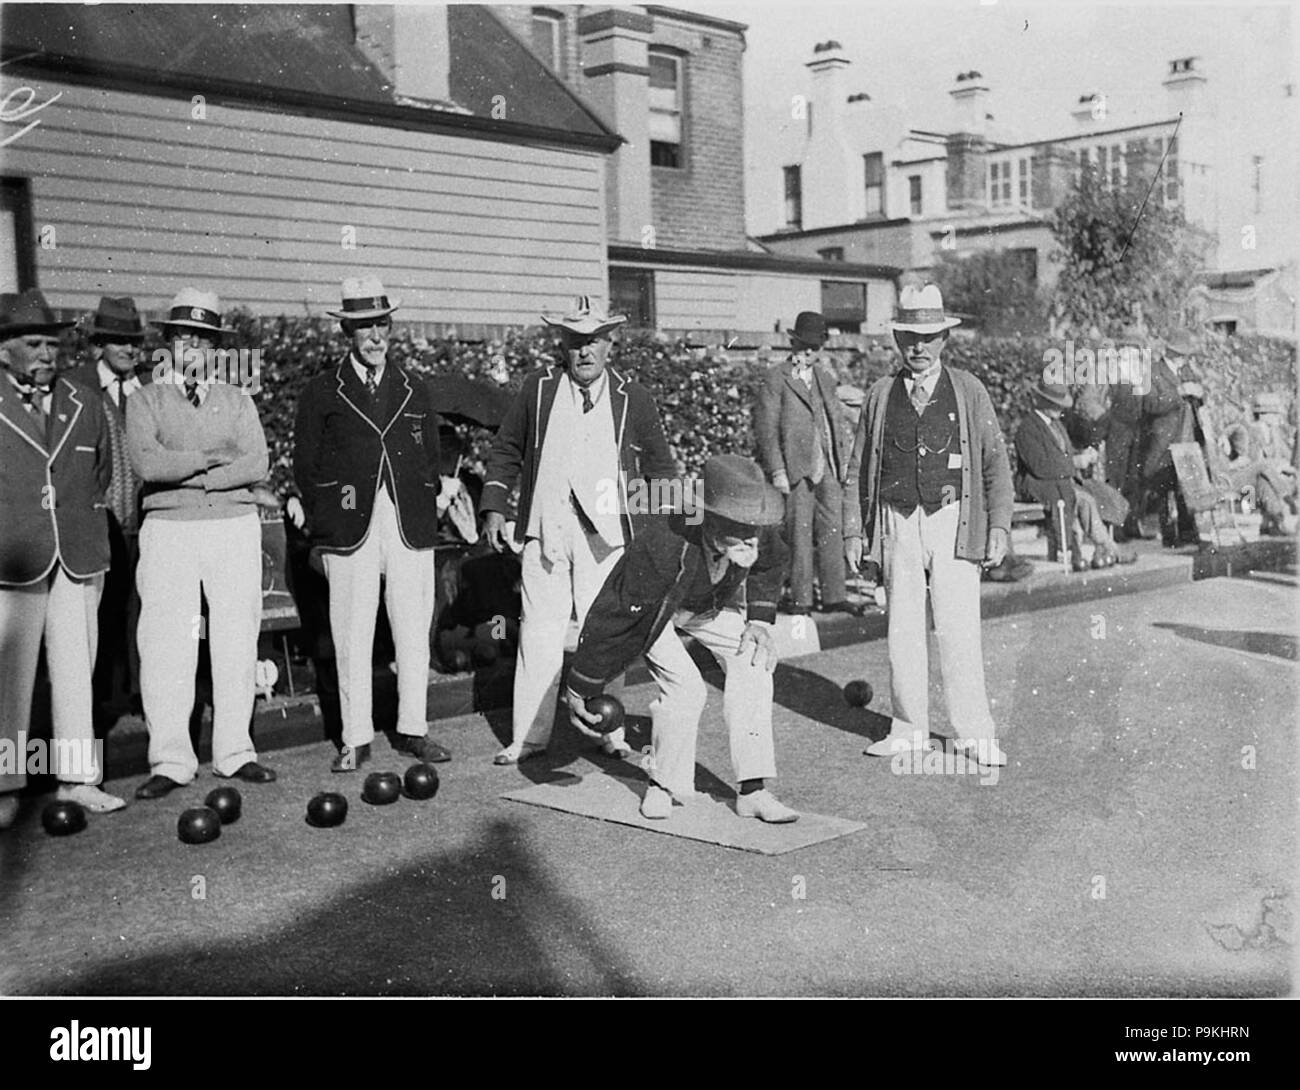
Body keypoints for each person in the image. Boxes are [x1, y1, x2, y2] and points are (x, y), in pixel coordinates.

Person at [480, 296, 676, 766]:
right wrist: (494, 505)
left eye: (594, 342)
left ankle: (609, 730)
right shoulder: (539, 389)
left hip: (607, 533)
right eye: (575, 343)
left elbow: (659, 467)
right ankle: (529, 736)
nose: (585, 352)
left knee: (607, 632)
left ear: (611, 345)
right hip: (547, 526)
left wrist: (659, 530)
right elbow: (506, 448)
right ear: (562, 347)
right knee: (539, 633)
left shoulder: (634, 397)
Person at [564, 455, 798, 822]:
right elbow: (614, 612)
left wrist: (760, 622)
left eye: (754, 526)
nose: (753, 535)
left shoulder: (756, 528)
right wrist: (581, 683)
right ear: (711, 521)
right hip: (657, 610)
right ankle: (662, 785)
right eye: (739, 527)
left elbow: (771, 563)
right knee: (687, 688)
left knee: (754, 661)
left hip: (706, 605)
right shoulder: (662, 544)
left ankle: (753, 791)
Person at [843, 284, 1012, 768]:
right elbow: (856, 469)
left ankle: (975, 733)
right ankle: (907, 729)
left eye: (928, 337)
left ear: (944, 339)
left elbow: (994, 462)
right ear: (898, 340)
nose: (917, 347)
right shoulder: (879, 394)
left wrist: (998, 524)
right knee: (902, 629)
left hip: (952, 519)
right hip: (897, 520)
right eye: (908, 337)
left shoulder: (968, 390)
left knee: (959, 630)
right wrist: (855, 530)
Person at [292, 276, 449, 771]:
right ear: (348, 333)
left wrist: (423, 499)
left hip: (408, 523)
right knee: (352, 632)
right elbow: (306, 464)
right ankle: (355, 737)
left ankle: (414, 729)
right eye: (364, 327)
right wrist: (329, 519)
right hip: (349, 525)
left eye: (382, 324)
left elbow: (430, 457)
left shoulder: (413, 387)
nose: (376, 336)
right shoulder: (322, 391)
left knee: (411, 630)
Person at [128, 288, 277, 798]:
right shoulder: (144, 398)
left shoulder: (238, 399)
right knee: (168, 642)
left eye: (205, 338)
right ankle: (170, 760)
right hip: (169, 529)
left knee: (237, 636)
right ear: (168, 343)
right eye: (184, 336)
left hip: (233, 525)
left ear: (217, 347)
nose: (194, 346)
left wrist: (192, 473)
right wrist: (212, 460)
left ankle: (235, 753)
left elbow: (256, 464)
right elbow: (148, 464)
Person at [0, 289, 127, 827]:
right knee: (9, 676)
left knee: (77, 669)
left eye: (52, 344)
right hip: (12, 559)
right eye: (33, 344)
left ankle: (78, 780)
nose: (47, 355)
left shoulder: (85, 401)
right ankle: (5, 788)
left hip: (77, 551)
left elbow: (99, 475)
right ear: (4, 351)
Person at [66, 296, 148, 730]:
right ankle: (102, 703)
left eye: (134, 341)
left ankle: (139, 696)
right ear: (99, 344)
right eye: (118, 341)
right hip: (99, 520)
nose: (129, 350)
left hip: (147, 521)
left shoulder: (150, 388)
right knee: (101, 612)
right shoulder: (77, 387)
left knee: (142, 610)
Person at [754, 311, 859, 616]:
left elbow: (834, 422)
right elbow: (767, 429)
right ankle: (801, 599)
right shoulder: (777, 378)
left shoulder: (825, 379)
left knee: (832, 530)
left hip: (827, 466)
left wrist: (842, 464)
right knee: (799, 532)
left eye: (814, 348)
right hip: (796, 468)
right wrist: (777, 470)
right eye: (802, 346)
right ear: (793, 343)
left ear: (821, 348)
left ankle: (834, 595)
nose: (807, 353)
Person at [1014, 379, 1136, 570]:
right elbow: (1040, 467)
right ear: (1043, 403)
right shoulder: (1028, 428)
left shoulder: (1056, 425)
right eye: (1054, 404)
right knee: (1080, 498)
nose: (1058, 409)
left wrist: (1082, 455)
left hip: (1058, 481)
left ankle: (1104, 547)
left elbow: (1063, 456)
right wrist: (1075, 463)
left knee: (1094, 496)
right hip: (1036, 484)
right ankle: (1096, 548)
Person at [1141, 332, 1201, 548]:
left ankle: (1188, 533)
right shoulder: (1152, 372)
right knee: (1164, 489)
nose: (1183, 359)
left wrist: (1198, 393)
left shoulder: (1186, 371)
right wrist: (1179, 392)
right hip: (1164, 440)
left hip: (1186, 436)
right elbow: (1149, 404)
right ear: (1171, 352)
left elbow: (1198, 397)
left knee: (1185, 487)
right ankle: (1170, 536)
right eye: (1181, 354)